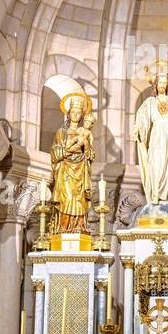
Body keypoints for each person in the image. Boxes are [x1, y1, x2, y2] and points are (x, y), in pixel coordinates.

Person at [134, 61, 168, 205]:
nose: (162, 86)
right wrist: (138, 128)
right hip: (156, 137)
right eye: (160, 83)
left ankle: (166, 198)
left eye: (165, 83)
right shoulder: (150, 102)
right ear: (155, 85)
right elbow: (142, 119)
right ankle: (155, 195)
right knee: (155, 166)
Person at [50, 93, 93, 232]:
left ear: (82, 115)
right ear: (68, 114)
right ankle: (63, 228)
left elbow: (91, 154)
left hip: (80, 171)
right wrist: (69, 151)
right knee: (66, 197)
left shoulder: (86, 133)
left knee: (79, 200)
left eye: (78, 112)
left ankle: (78, 227)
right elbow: (55, 153)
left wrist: (85, 146)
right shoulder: (61, 132)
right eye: (73, 112)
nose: (75, 115)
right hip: (65, 172)